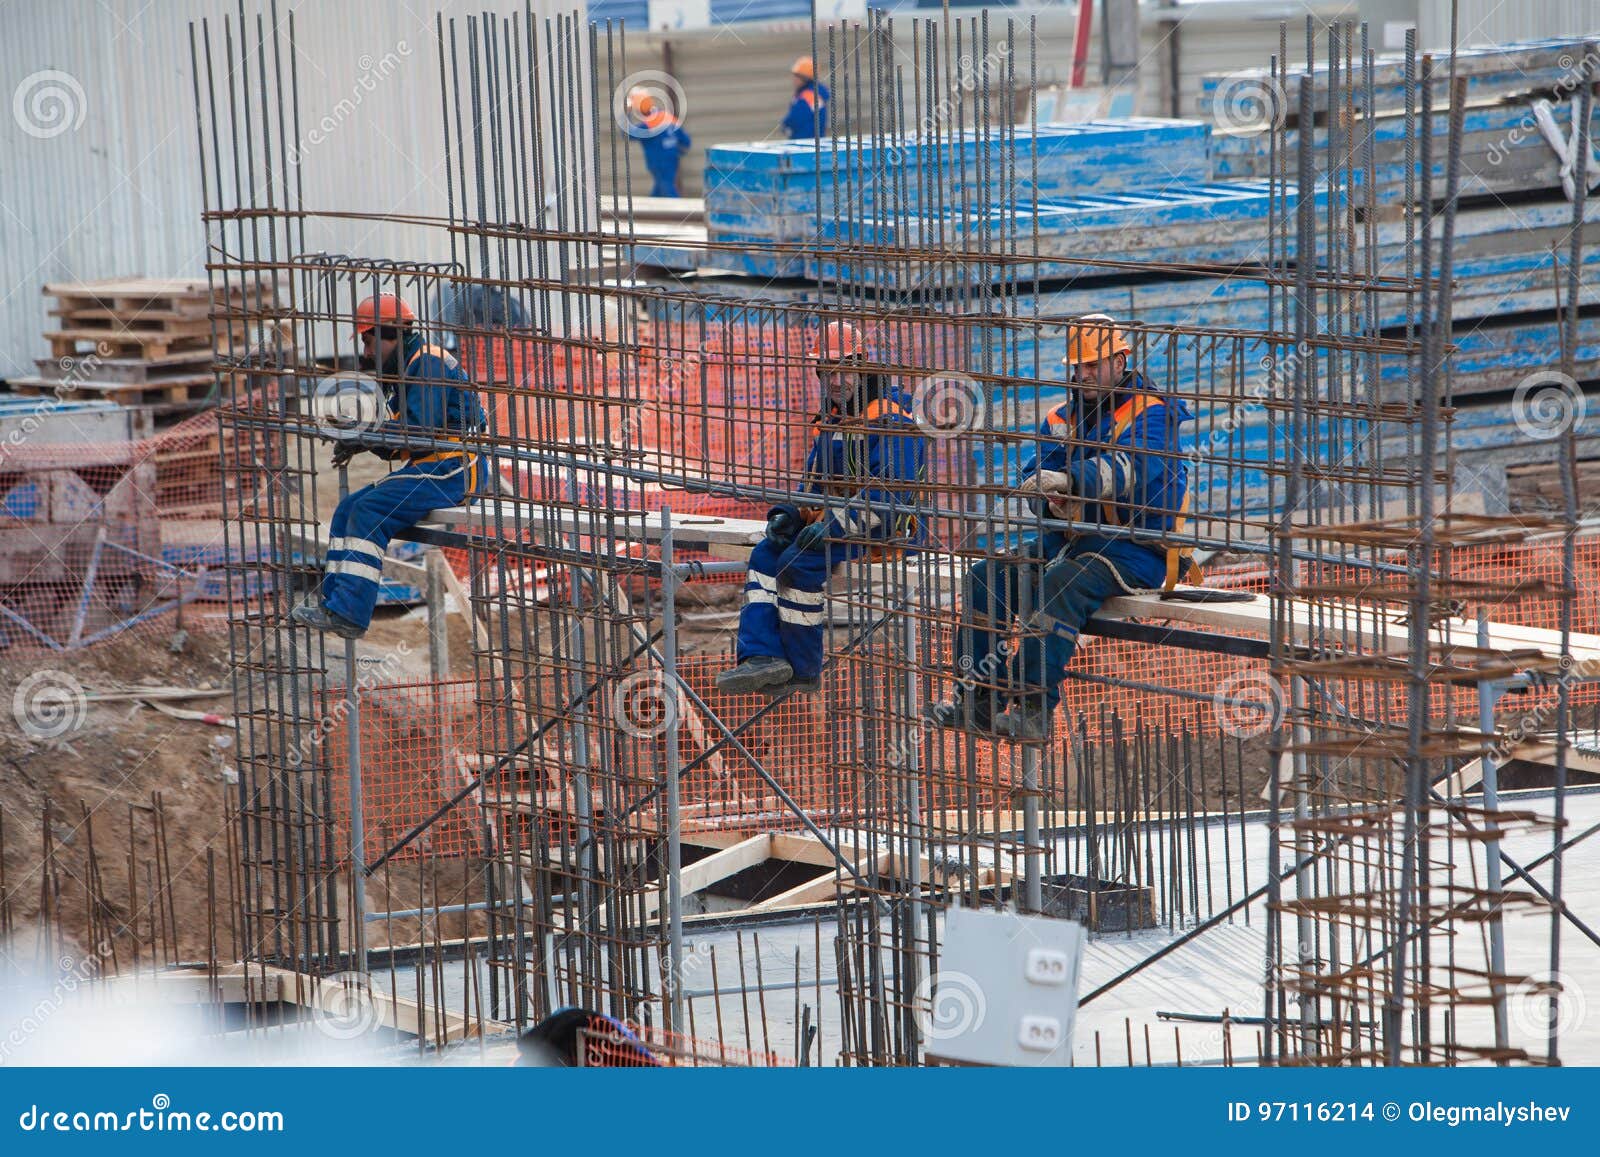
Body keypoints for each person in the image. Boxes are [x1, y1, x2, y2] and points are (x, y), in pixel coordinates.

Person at [931, 315, 1194, 742]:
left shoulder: (1152, 414)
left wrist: (1071, 482)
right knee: (985, 579)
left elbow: (1130, 469)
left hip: (1140, 549)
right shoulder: (1061, 417)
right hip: (1074, 542)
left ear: (1121, 361)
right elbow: (1041, 471)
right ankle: (978, 702)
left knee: (1059, 584)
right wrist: (1046, 495)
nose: (1083, 374)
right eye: (1078, 366)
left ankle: (1033, 710)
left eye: (1093, 365)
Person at [716, 321, 925, 696]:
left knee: (800, 562)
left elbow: (891, 500)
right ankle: (762, 658)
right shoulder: (831, 420)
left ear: (862, 364)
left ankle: (802, 668)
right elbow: (812, 486)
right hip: (837, 525)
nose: (835, 379)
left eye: (843, 368)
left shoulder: (892, 420)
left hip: (885, 532)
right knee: (766, 554)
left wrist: (831, 528)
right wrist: (791, 514)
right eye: (826, 370)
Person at [291, 293, 488, 640]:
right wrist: (359, 437)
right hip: (431, 469)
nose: (367, 353)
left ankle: (350, 614)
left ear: (390, 332)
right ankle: (334, 604)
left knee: (368, 509)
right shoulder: (406, 369)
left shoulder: (428, 363)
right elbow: (398, 442)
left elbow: (417, 433)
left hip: (454, 471)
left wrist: (363, 435)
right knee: (348, 508)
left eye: (369, 341)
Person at [624, 87, 691, 198]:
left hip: (659, 163)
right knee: (659, 191)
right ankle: (650, 214)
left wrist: (627, 113)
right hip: (672, 161)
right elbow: (686, 142)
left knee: (668, 190)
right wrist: (675, 152)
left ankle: (679, 213)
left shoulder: (648, 126)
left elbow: (628, 134)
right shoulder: (667, 116)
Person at [781, 56, 829, 140]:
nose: (794, 79)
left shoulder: (808, 96)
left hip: (805, 143)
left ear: (805, 79)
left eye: (797, 76)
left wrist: (785, 125)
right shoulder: (813, 93)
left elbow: (795, 118)